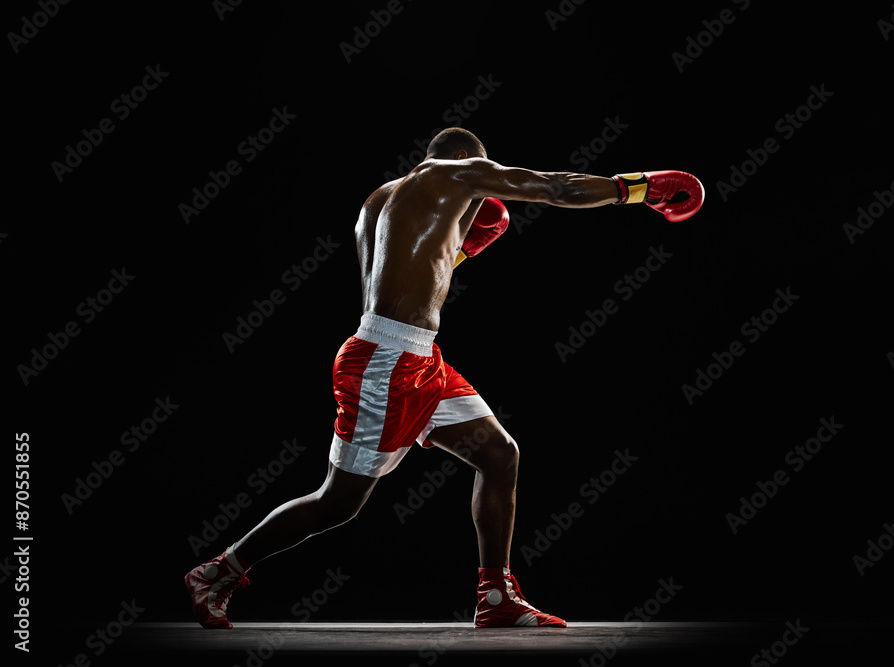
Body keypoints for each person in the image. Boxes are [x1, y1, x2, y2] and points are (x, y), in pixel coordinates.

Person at [184, 127, 704, 629]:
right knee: (338, 503)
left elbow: (394, 281)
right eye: (481, 178)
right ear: (468, 162)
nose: (482, 193)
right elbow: (557, 188)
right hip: (386, 362)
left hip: (415, 357)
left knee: (500, 454)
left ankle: (496, 596)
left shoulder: (382, 200)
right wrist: (638, 188)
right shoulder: (458, 174)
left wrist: (463, 250)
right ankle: (217, 572)